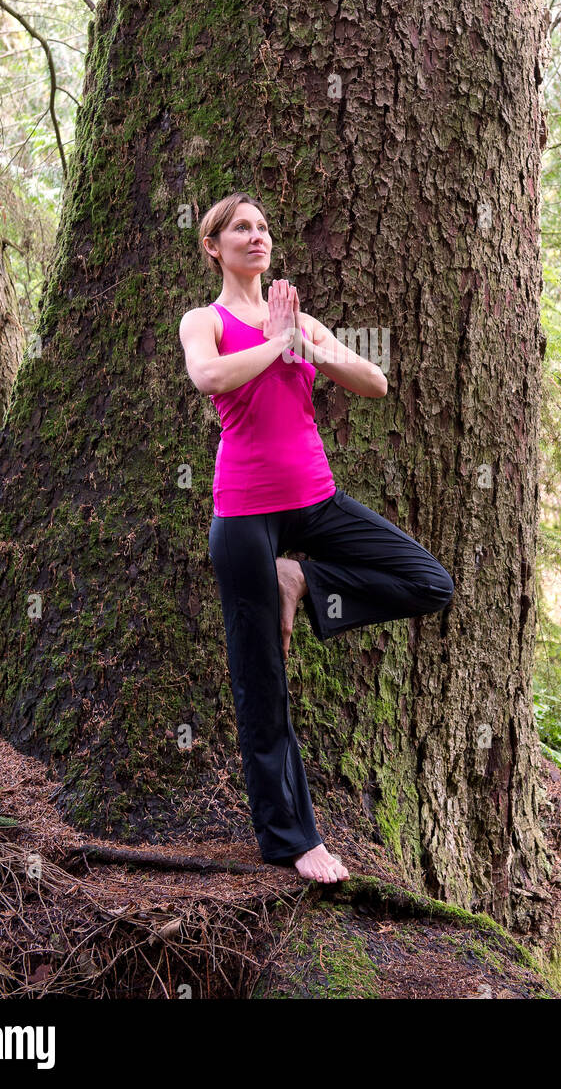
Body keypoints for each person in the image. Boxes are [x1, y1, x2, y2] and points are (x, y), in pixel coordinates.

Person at [179, 192, 454, 884]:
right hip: (243, 517)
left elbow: (376, 383)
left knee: (428, 582)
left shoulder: (300, 319)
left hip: (315, 502)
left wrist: (309, 346)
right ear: (213, 246)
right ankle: (292, 839)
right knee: (260, 682)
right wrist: (274, 345)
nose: (256, 236)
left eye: (263, 226)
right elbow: (208, 377)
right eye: (240, 228)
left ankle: (301, 579)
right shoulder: (203, 321)